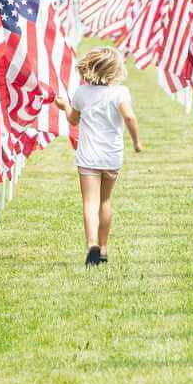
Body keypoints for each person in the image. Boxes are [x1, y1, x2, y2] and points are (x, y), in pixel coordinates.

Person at [56, 47, 142, 266]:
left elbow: (73, 121)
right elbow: (129, 117)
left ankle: (91, 244)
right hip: (111, 156)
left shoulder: (82, 93)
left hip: (88, 156)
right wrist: (136, 142)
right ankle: (103, 249)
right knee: (105, 200)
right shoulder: (120, 93)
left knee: (89, 202)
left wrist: (65, 105)